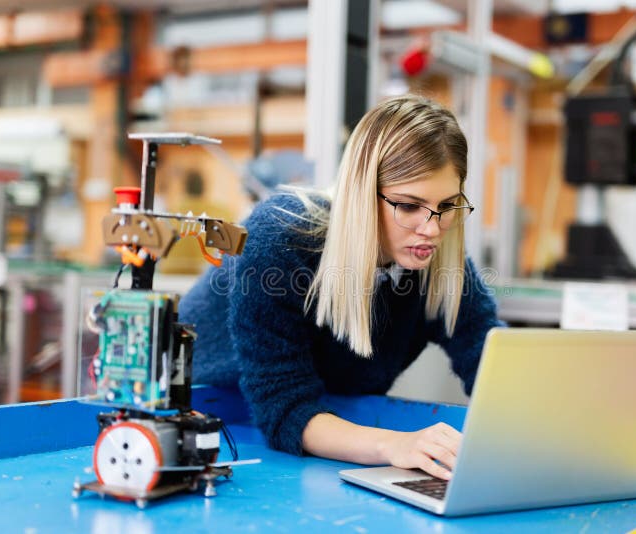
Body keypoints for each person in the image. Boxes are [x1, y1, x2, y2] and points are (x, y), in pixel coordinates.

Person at [179, 94, 506, 481]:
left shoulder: (437, 260)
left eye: (447, 206)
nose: (432, 229)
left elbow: (490, 362)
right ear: (362, 193)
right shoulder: (280, 236)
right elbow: (284, 409)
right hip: (205, 420)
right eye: (408, 206)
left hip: (321, 425)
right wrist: (395, 445)